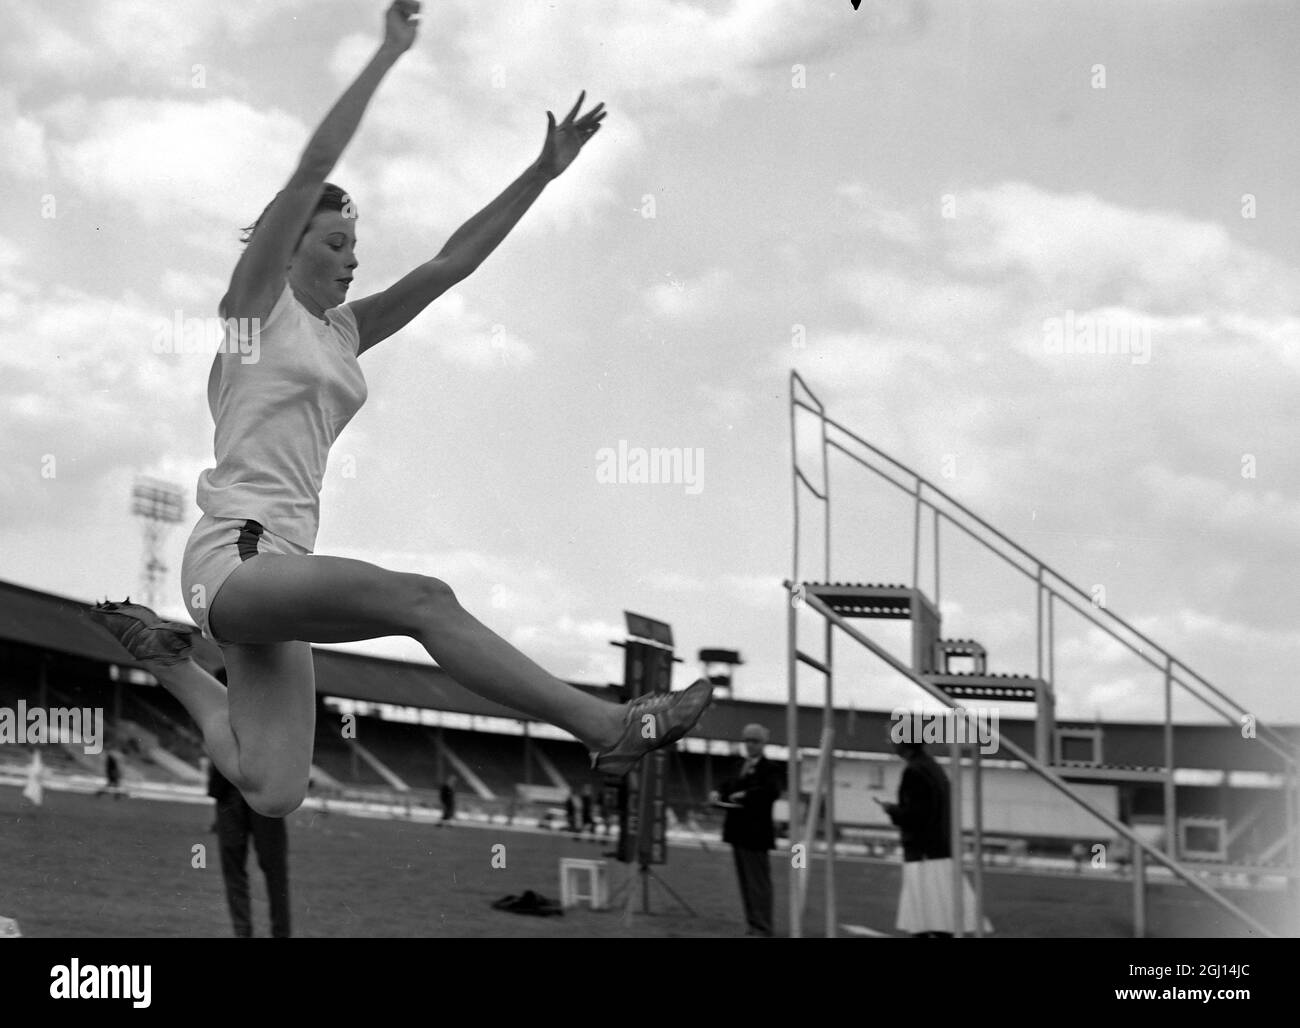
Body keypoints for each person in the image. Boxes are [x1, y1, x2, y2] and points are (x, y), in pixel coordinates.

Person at [86, 0, 711, 821]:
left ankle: (170, 662)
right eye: (334, 242)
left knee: (273, 789)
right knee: (421, 600)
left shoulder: (344, 332)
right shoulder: (251, 313)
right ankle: (608, 725)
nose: (352, 258)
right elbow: (310, 171)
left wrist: (543, 173)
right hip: (232, 562)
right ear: (289, 238)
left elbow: (450, 262)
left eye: (355, 244)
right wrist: (385, 55)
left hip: (283, 569)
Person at [876, 738, 990, 938]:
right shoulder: (933, 767)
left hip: (923, 852)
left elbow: (914, 815)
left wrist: (892, 810)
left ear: (904, 744)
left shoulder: (914, 771)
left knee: (923, 917)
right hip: (940, 847)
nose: (892, 745)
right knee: (940, 916)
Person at [711, 723, 781, 937]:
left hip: (756, 835)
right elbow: (727, 787)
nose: (750, 745)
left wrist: (746, 795)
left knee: (758, 883)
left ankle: (763, 926)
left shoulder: (770, 768)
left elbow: (771, 792)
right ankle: (753, 924)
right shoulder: (738, 766)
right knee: (746, 884)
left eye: (755, 741)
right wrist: (716, 794)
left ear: (763, 743)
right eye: (747, 741)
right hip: (738, 833)